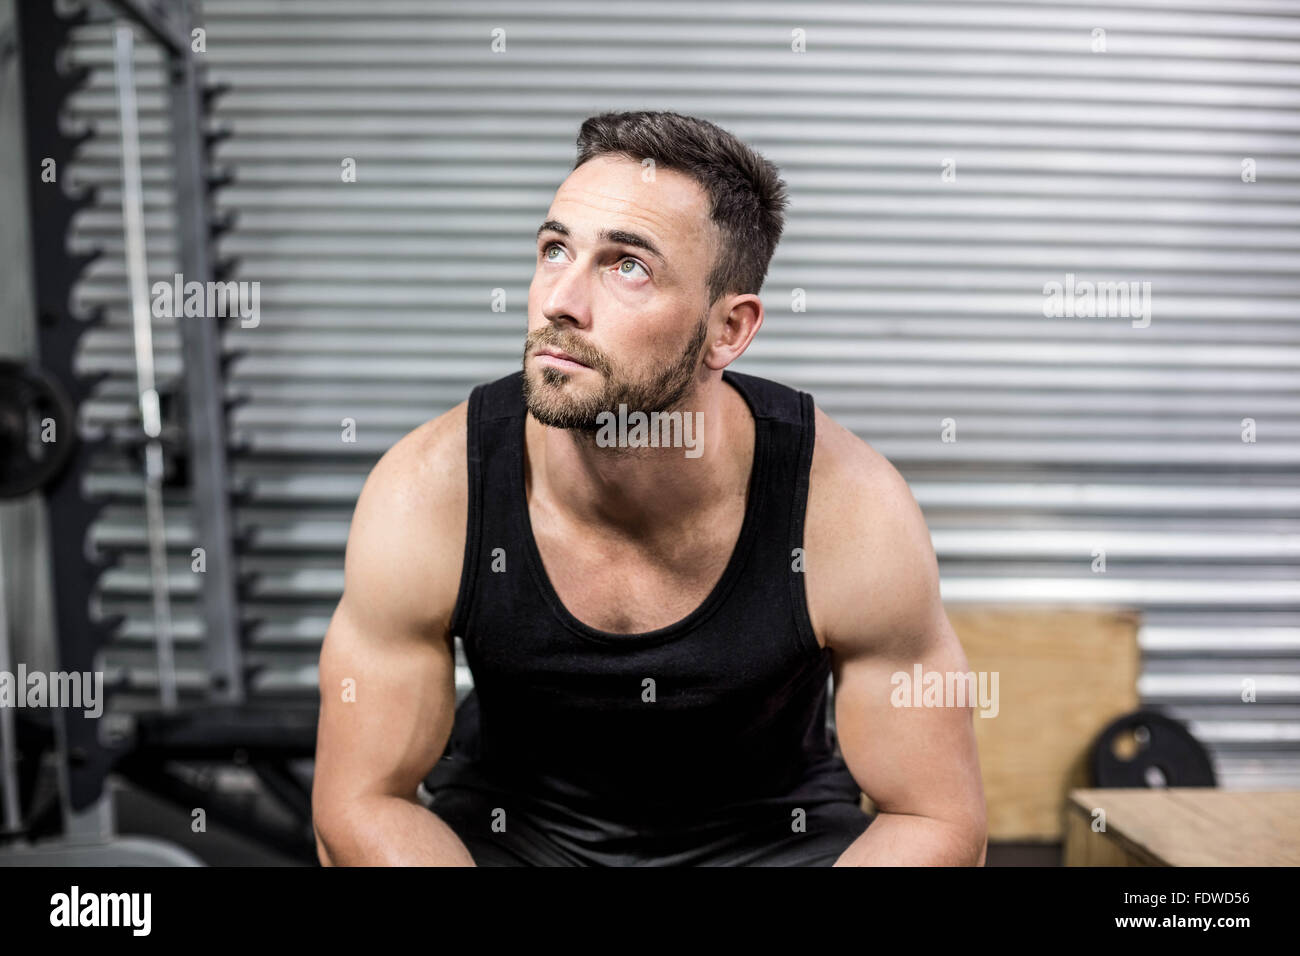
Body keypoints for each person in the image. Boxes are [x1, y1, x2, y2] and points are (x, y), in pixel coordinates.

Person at [311, 110, 986, 866]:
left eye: (627, 265)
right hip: (517, 837)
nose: (560, 301)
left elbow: (934, 819)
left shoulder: (846, 507)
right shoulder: (431, 491)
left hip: (770, 840)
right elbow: (360, 800)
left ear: (727, 330)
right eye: (555, 249)